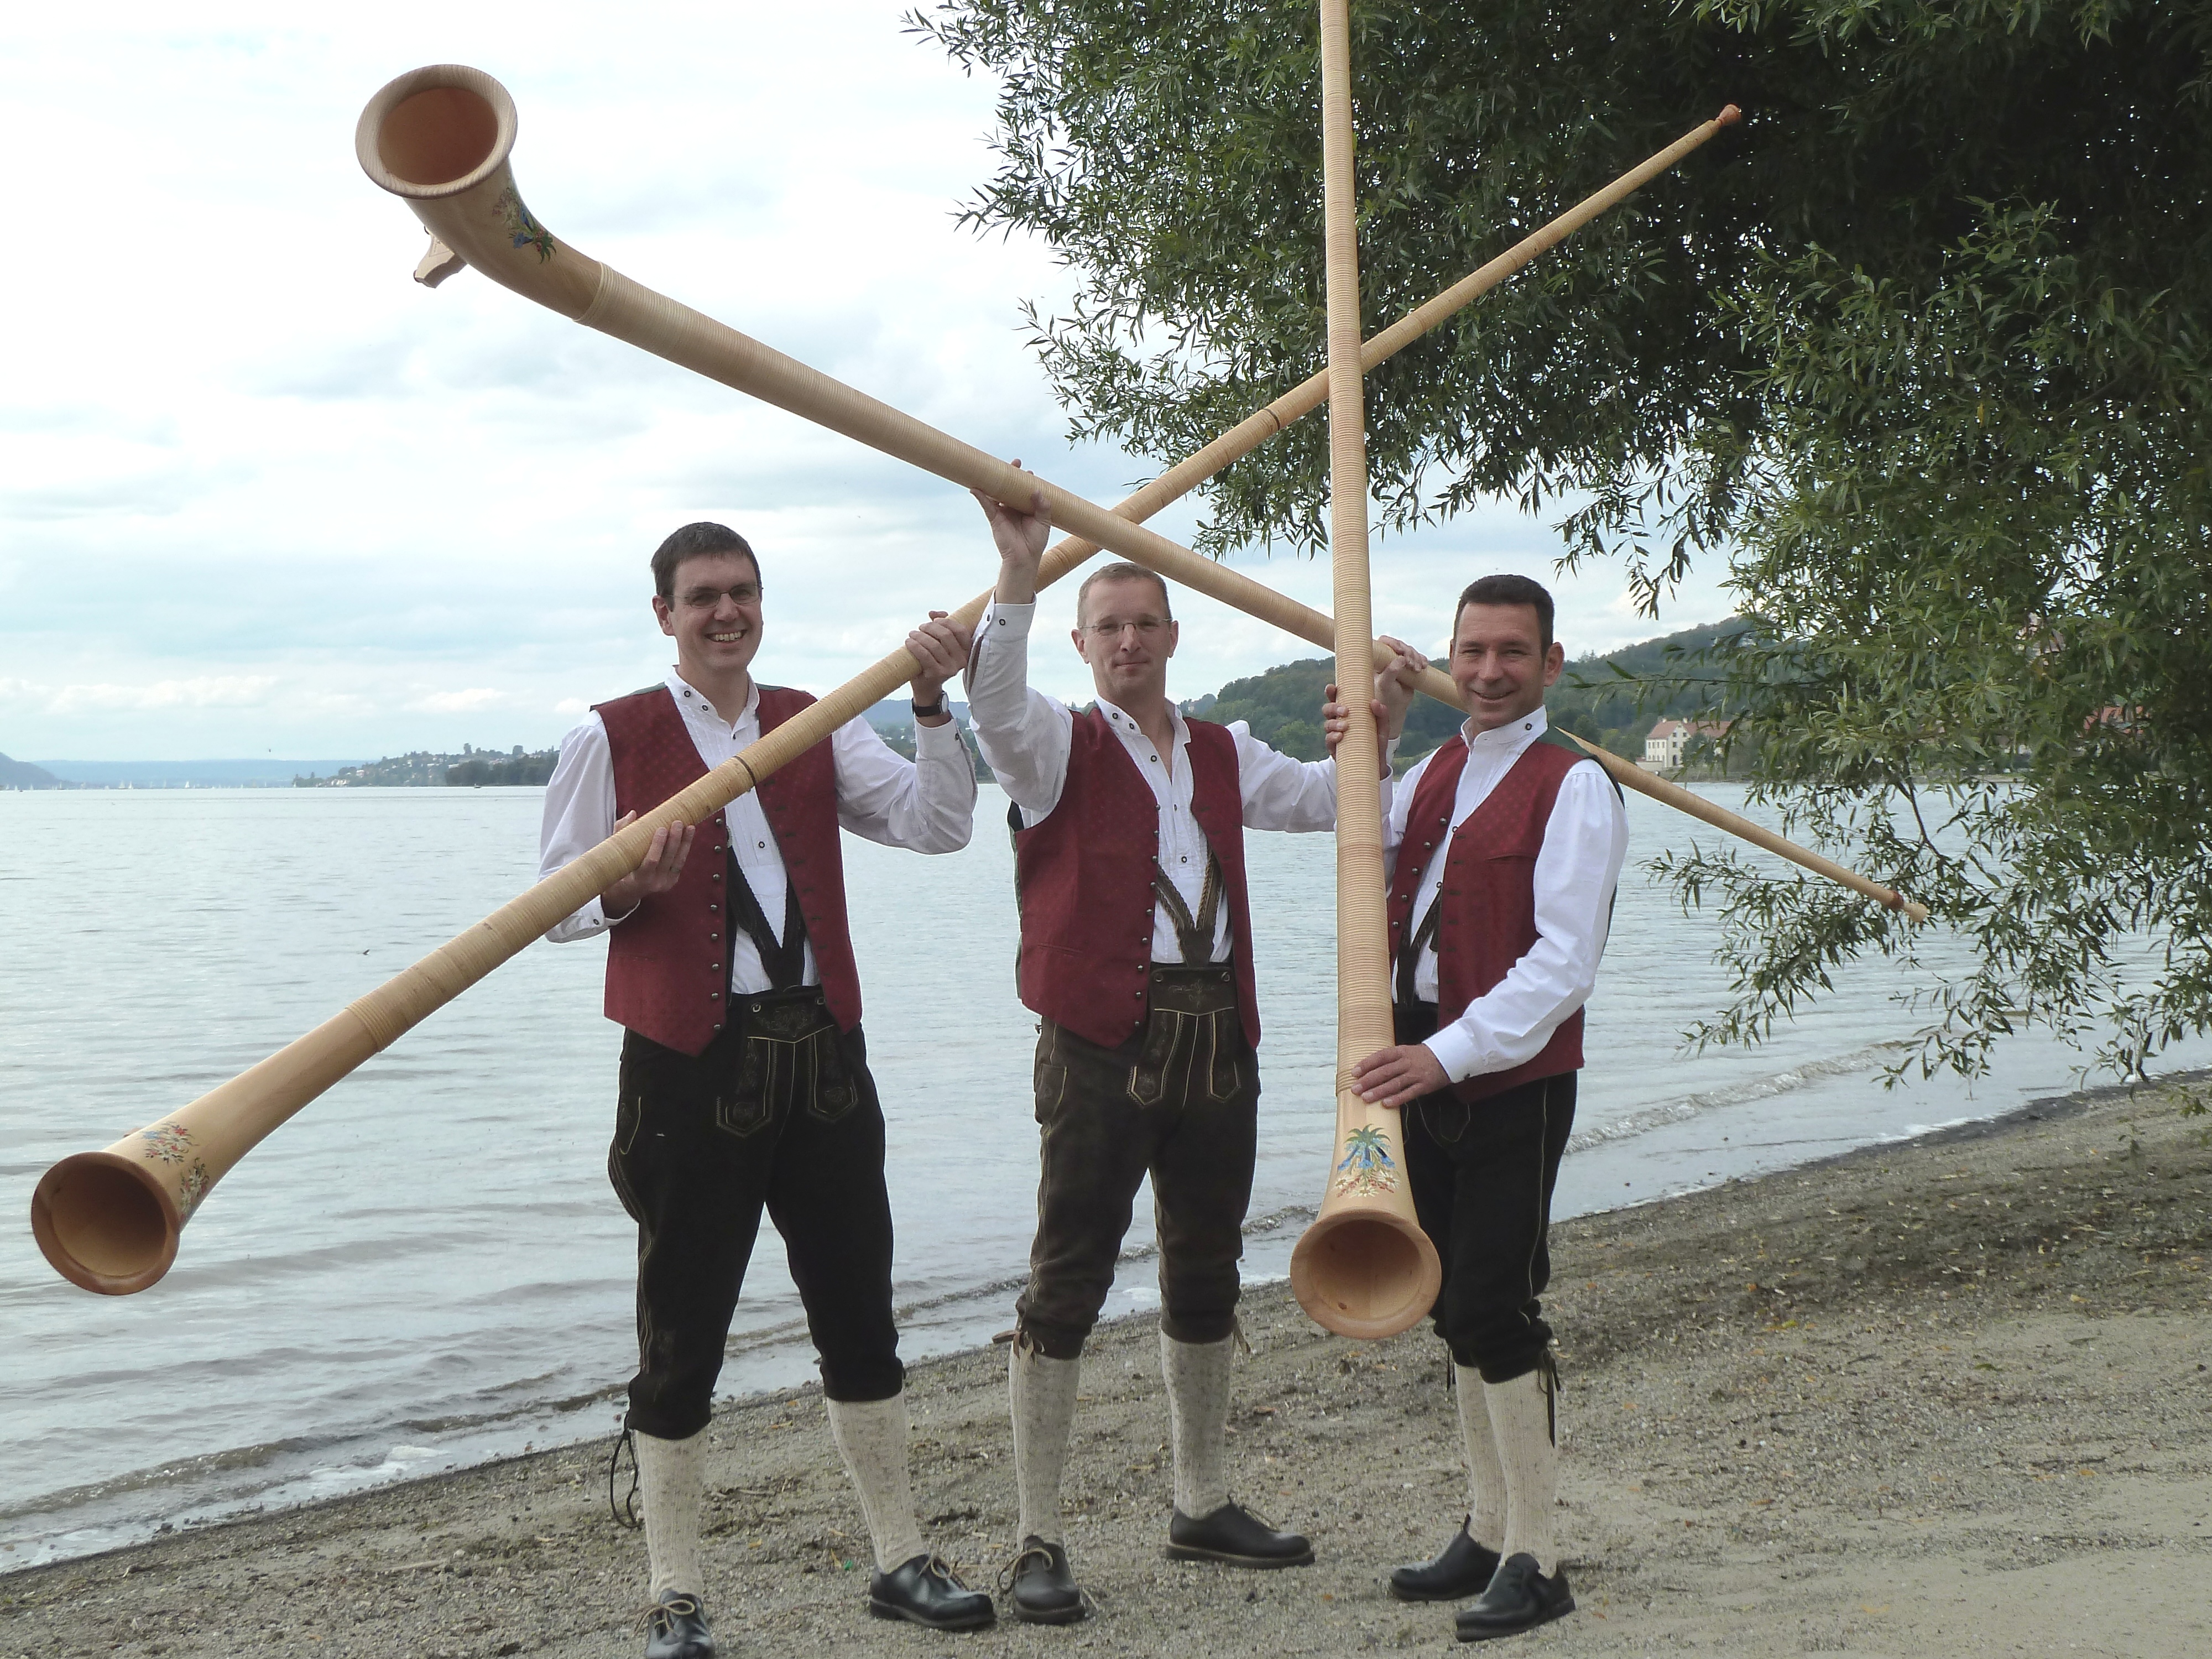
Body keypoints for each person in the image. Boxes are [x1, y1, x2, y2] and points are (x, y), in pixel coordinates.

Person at [538, 521, 995, 1657]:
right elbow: (553, 904)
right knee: (682, 1335)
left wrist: (932, 706)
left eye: (741, 592)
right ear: (664, 615)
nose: (726, 612)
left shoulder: (814, 720)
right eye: (702, 596)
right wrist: (627, 890)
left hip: (824, 1058)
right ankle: (673, 1595)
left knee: (860, 1313)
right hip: (687, 1068)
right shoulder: (609, 734)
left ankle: (899, 1559)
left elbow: (939, 826)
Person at [964, 477, 1407, 1624]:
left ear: (1171, 636)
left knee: (1205, 1268)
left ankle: (1200, 1503)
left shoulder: (1222, 748)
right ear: (1081, 643)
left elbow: (1332, 800)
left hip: (1219, 1038)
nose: (1126, 642)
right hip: (1098, 1044)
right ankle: (1036, 1538)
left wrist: (1386, 720)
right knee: (1066, 1280)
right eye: (1107, 627)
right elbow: (993, 699)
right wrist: (1017, 572)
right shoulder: (1048, 748)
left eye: (1144, 624)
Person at [1326, 573, 1626, 1643]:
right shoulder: (1435, 771)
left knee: (1497, 1305)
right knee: (1452, 1303)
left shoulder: (1576, 784)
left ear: (1550, 664)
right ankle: (1489, 1528)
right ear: (1452, 659)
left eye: (1512, 653)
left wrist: (1444, 1057)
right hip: (1415, 1062)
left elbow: (1564, 965)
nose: (1490, 672)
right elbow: (1361, 851)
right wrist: (1372, 741)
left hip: (1508, 1079)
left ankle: (1539, 1558)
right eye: (1473, 652)